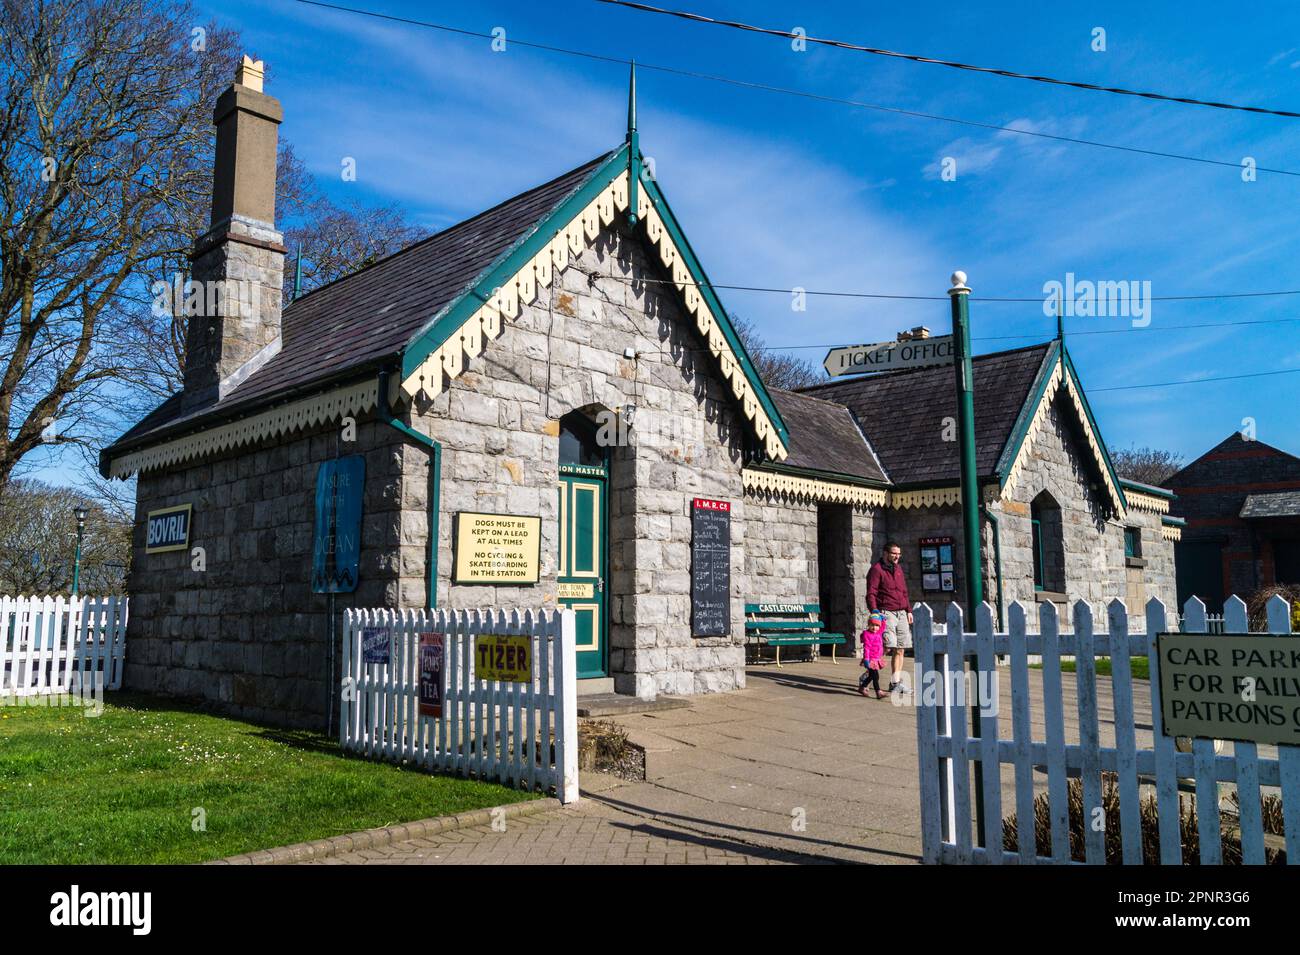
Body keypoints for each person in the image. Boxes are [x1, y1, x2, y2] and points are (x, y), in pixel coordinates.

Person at [866, 541, 913, 695]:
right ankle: (867, 676)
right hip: (885, 612)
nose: (897, 556)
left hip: (901, 613)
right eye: (894, 553)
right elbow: (871, 593)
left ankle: (895, 682)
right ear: (885, 553)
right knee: (886, 646)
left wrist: (909, 610)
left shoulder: (898, 569)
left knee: (900, 648)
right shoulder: (876, 570)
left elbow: (904, 591)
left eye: (899, 554)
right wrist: (874, 612)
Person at [859, 610, 887, 699]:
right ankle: (878, 692)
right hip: (870, 659)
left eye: (876, 625)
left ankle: (862, 687)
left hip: (876, 658)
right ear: (869, 625)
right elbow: (866, 648)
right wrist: (866, 659)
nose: (874, 628)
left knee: (871, 676)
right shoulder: (867, 635)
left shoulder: (878, 632)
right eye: (872, 625)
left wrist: (883, 619)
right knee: (875, 676)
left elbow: (883, 627)